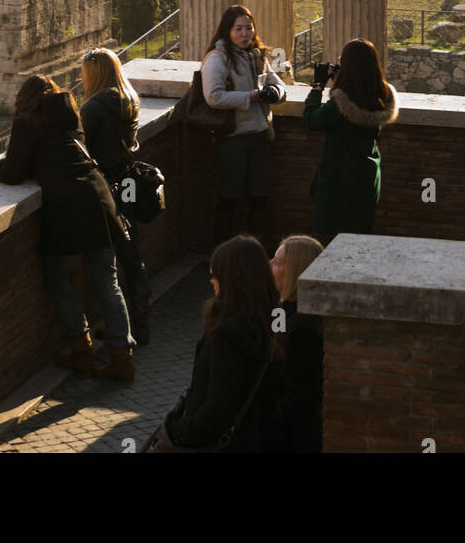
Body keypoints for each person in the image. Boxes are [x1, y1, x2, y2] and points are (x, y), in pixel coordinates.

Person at [0, 74, 134, 382]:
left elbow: (12, 173)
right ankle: (122, 358)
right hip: (99, 201)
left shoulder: (27, 121)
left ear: (24, 99)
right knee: (107, 283)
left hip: (67, 210)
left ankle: (80, 349)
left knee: (59, 279)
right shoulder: (71, 113)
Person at [162, 235, 277, 452]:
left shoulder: (228, 335)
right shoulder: (266, 322)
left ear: (231, 278)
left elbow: (218, 411)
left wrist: (178, 430)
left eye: (215, 275)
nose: (211, 281)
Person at [79, 47, 150, 346]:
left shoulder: (93, 108)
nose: (80, 79)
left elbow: (81, 150)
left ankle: (121, 332)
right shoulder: (129, 99)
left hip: (107, 190)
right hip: (128, 184)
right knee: (133, 258)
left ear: (93, 73)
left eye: (83, 73)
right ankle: (142, 325)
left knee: (106, 265)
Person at [201, 5, 286, 248]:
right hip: (232, 139)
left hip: (260, 136)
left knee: (260, 198)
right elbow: (213, 97)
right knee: (229, 198)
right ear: (227, 31)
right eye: (238, 28)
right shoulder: (217, 59)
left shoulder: (256, 55)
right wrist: (251, 97)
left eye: (249, 27)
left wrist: (274, 92)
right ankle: (221, 254)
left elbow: (277, 83)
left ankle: (257, 254)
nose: (245, 33)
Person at [302, 38, 398, 243]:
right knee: (359, 240)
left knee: (328, 241)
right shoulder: (383, 95)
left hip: (338, 183)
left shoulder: (341, 103)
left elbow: (312, 121)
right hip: (367, 178)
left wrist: (317, 86)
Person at [264, 235, 324, 453]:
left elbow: (301, 398)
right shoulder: (286, 312)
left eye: (276, 262)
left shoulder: (302, 329)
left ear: (293, 273)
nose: (269, 265)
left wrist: (265, 420)